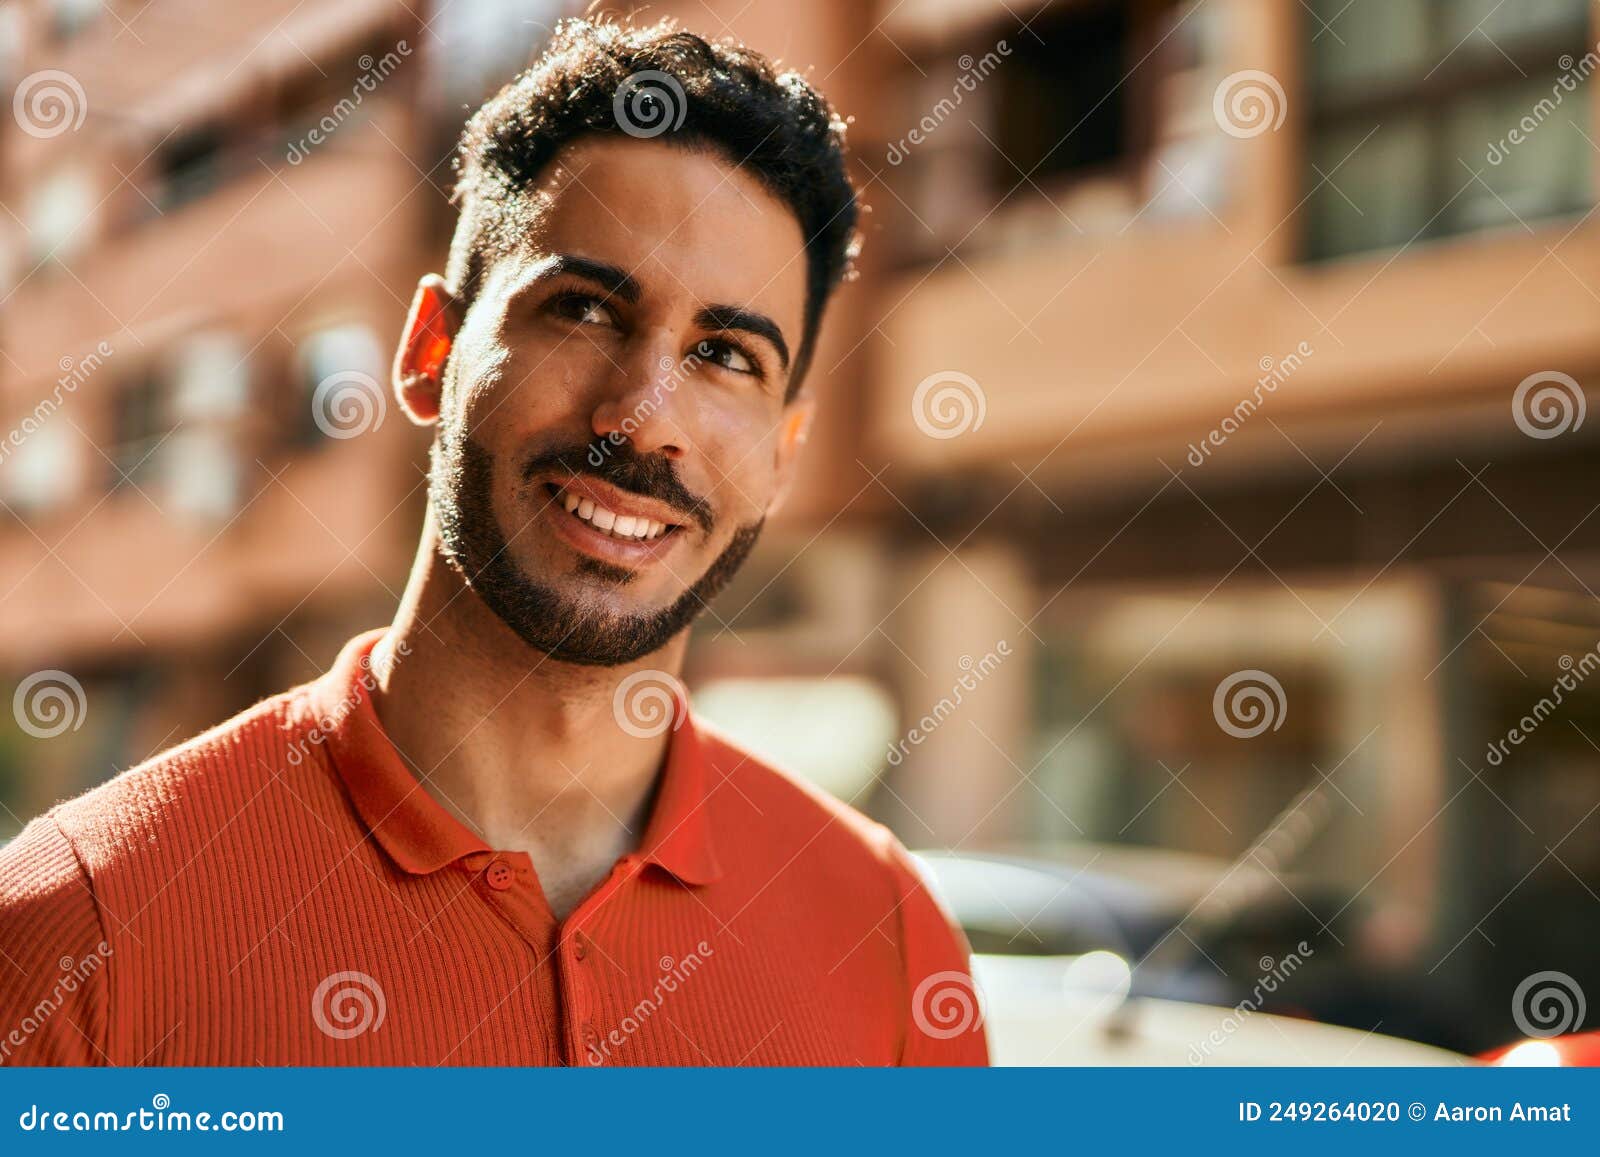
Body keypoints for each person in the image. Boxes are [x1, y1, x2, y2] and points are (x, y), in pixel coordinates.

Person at [0, 17, 986, 1067]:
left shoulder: (884, 934)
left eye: (724, 354)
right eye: (585, 309)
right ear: (431, 349)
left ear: (784, 449)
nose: (642, 415)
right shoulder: (83, 925)